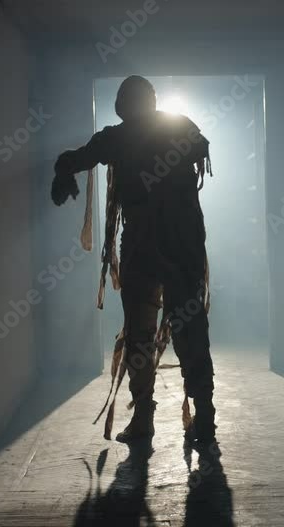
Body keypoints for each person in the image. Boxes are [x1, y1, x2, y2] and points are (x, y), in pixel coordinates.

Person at [51, 75, 217, 445]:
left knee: (147, 336)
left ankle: (157, 419)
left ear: (125, 105)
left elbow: (75, 159)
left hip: (153, 248)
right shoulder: (170, 128)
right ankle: (197, 418)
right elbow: (199, 147)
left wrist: (63, 170)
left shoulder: (119, 137)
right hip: (174, 248)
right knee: (180, 332)